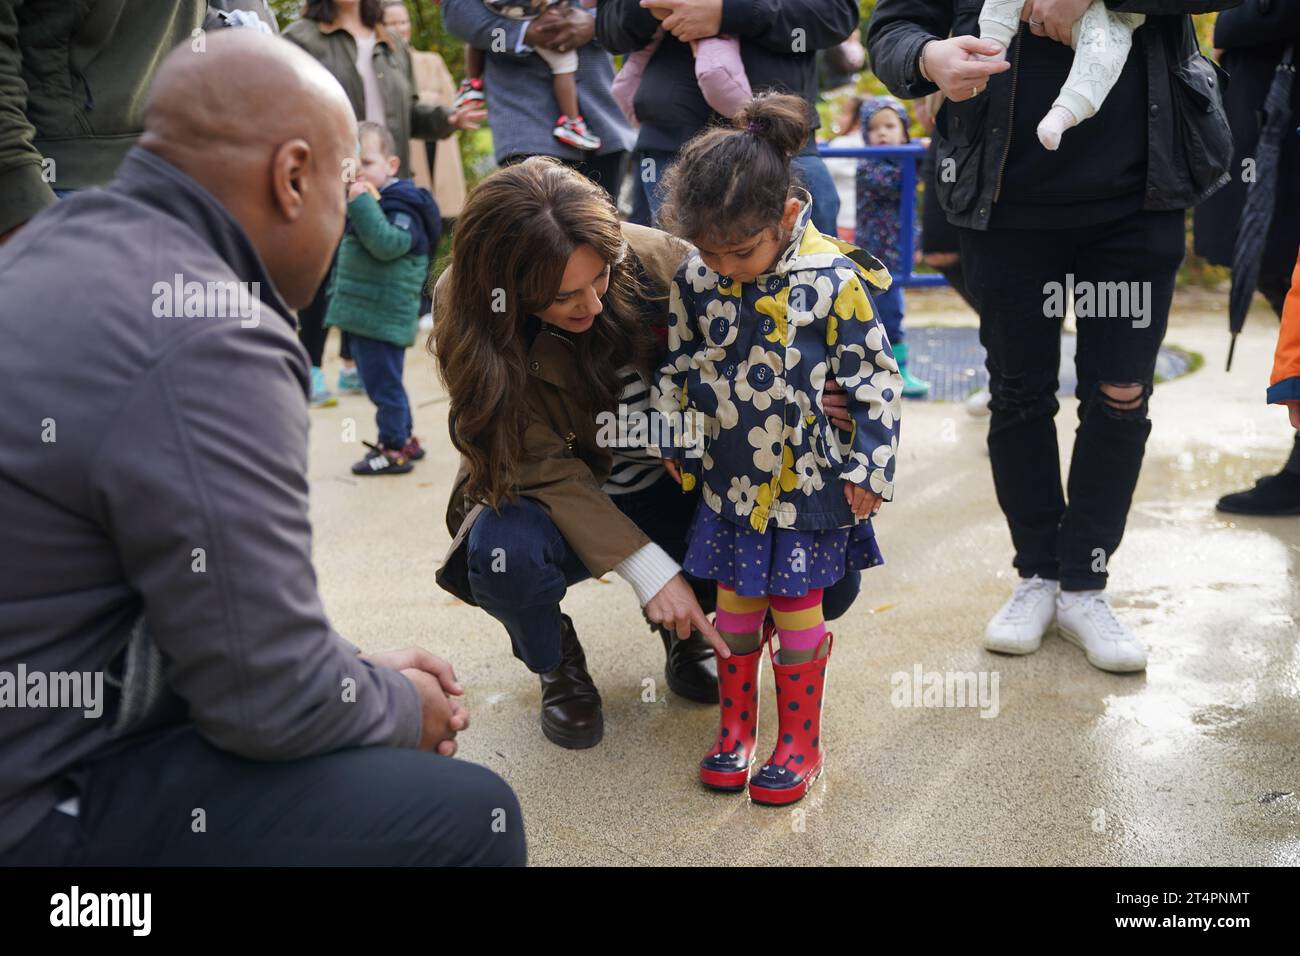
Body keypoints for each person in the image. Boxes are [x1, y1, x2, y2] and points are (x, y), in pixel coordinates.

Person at [0, 30, 523, 867]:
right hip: (40, 818)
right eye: (344, 184)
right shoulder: (213, 329)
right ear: (291, 176)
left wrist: (345, 664)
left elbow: (193, 607)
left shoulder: (51, 249)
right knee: (467, 818)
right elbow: (266, 704)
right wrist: (399, 707)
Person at [431, 157, 868, 749]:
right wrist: (649, 571)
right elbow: (530, 459)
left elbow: (782, 325)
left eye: (600, 279)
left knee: (828, 585)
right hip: (549, 497)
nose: (589, 303)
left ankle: (688, 632)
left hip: (676, 485)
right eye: (562, 296)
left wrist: (826, 392)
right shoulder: (465, 299)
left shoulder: (669, 260)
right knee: (506, 559)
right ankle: (557, 663)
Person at [868, 0, 1235, 672]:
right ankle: (1038, 575)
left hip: (1136, 198)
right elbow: (891, 27)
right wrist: (927, 58)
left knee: (1121, 392)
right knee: (1017, 391)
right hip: (1003, 204)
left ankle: (1086, 583)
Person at [650, 93, 901, 804]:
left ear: (787, 217)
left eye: (742, 250)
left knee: (796, 605)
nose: (726, 266)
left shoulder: (834, 281)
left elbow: (876, 380)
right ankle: (736, 731)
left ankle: (799, 742)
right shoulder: (697, 278)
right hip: (730, 481)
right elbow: (677, 362)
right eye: (711, 251)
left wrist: (870, 465)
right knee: (734, 605)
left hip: (809, 481)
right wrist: (673, 427)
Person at [284, 0, 484, 408]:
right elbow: (288, 112)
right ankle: (310, 367)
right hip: (327, 178)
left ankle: (355, 363)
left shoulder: (389, 40)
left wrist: (447, 118)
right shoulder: (300, 40)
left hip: (383, 182)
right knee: (326, 275)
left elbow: (408, 112)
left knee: (377, 269)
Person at [596, 0, 861, 236]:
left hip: (781, 137)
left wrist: (731, 11)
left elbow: (835, 15)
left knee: (810, 276)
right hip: (673, 145)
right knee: (690, 279)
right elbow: (610, 29)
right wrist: (651, 7)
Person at [1197, 0, 1300, 517]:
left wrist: (1232, 25)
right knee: (1274, 273)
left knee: (1282, 271)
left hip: (1281, 113)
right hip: (1264, 104)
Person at [325, 121, 441, 476]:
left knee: (383, 386)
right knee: (385, 381)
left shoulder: (400, 205)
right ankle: (404, 439)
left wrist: (360, 204)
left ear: (391, 165)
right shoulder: (372, 201)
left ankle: (392, 449)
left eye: (368, 164)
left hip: (382, 318)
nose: (358, 174)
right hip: (367, 315)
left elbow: (389, 244)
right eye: (351, 166)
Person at [442, 0, 633, 199]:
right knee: (536, 223)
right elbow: (457, 14)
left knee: (602, 223)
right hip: (525, 122)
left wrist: (597, 25)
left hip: (602, 119)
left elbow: (636, 14)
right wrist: (524, 32)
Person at [978, 0, 1145, 150]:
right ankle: (991, 45)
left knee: (1104, 53)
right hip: (1005, 136)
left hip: (1107, 19)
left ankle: (1065, 112)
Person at [855, 95, 932, 398]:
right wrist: (923, 154)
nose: (883, 133)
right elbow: (899, 181)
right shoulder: (868, 165)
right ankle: (895, 374)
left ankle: (896, 372)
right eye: (874, 129)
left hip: (896, 252)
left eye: (890, 126)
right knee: (888, 315)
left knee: (892, 313)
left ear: (904, 131)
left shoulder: (901, 161)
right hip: (876, 258)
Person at [460, 0, 604, 150]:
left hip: (504, 18)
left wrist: (594, 23)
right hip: (537, 24)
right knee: (565, 65)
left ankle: (472, 84)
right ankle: (572, 122)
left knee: (477, 36)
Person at [381, 0, 467, 227]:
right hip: (407, 148)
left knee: (444, 219)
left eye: (403, 21)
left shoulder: (431, 60)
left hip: (438, 145)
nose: (400, 28)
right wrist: (429, 98)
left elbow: (450, 102)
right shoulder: (381, 66)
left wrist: (424, 100)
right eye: (392, 23)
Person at [610, 4, 751, 127]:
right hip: (661, 126)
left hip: (746, 137)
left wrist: (726, 10)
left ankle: (751, 117)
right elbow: (609, 27)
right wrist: (647, 10)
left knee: (716, 69)